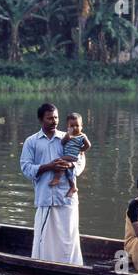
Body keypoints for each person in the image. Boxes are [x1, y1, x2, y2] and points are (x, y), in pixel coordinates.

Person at [20, 103, 86, 264]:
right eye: (49, 118)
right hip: (45, 197)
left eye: (56, 117)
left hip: (66, 197)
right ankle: (43, 267)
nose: (54, 121)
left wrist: (70, 165)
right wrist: (49, 166)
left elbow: (81, 161)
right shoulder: (32, 141)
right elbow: (26, 168)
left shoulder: (69, 137)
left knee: (68, 237)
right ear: (41, 119)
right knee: (44, 239)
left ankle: (71, 267)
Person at [50, 112, 91, 198]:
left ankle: (57, 178)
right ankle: (73, 187)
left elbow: (88, 145)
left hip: (73, 156)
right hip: (68, 156)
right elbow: (62, 142)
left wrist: (81, 150)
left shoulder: (82, 136)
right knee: (69, 171)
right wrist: (67, 137)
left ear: (81, 126)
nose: (75, 128)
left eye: (77, 125)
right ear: (68, 127)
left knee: (59, 161)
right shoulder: (67, 135)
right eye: (72, 126)